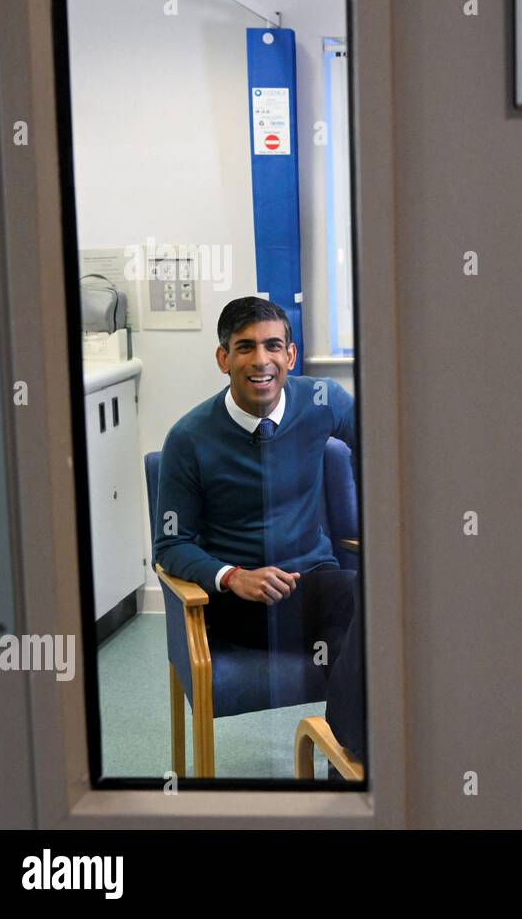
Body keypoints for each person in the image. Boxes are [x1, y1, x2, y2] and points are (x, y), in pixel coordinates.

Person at [154, 296, 364, 776]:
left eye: (273, 346)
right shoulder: (188, 437)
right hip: (238, 608)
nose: (261, 360)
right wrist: (232, 577)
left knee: (368, 608)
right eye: (244, 347)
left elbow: (386, 444)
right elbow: (170, 545)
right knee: (360, 610)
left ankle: (346, 768)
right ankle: (354, 761)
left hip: (315, 584)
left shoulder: (323, 400)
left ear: (291, 355)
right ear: (223, 359)